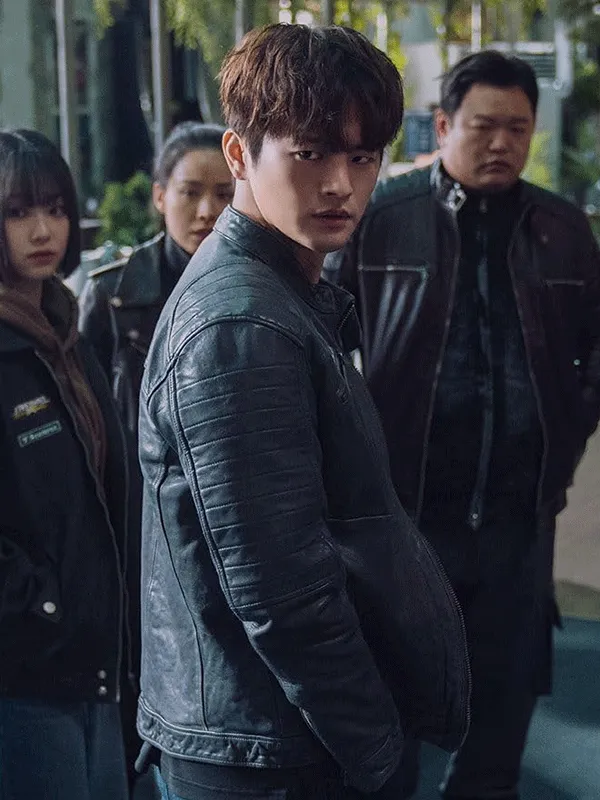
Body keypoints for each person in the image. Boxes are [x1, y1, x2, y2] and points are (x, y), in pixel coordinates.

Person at [136, 23, 470, 800]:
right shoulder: (241, 321)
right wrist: (377, 749)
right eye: (310, 153)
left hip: (276, 732)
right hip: (268, 749)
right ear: (239, 155)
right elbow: (281, 593)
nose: (340, 185)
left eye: (362, 157)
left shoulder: (281, 290)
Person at [325, 50, 600, 800]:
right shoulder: (382, 217)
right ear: (444, 126)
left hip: (519, 521)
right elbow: (321, 341)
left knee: (500, 726)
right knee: (389, 726)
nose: (502, 143)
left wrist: (568, 434)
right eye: (483, 126)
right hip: (405, 518)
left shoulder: (562, 229)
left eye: (518, 128)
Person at [78, 121, 234, 790]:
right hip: (135, 514)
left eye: (224, 193)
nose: (207, 210)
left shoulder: (259, 278)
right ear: (159, 196)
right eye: (190, 192)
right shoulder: (114, 293)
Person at [0, 128, 129, 799]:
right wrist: (40, 605)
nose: (42, 230)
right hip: (26, 670)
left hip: (95, 658)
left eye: (54, 208)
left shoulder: (65, 332)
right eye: (18, 212)